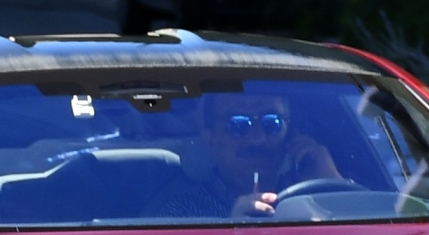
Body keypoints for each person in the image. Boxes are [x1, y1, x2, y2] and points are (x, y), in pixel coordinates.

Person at [142, 90, 342, 221]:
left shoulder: (316, 200)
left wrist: (335, 186)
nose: (257, 139)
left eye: (271, 123)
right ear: (211, 140)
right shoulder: (180, 213)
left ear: (290, 132)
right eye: (238, 125)